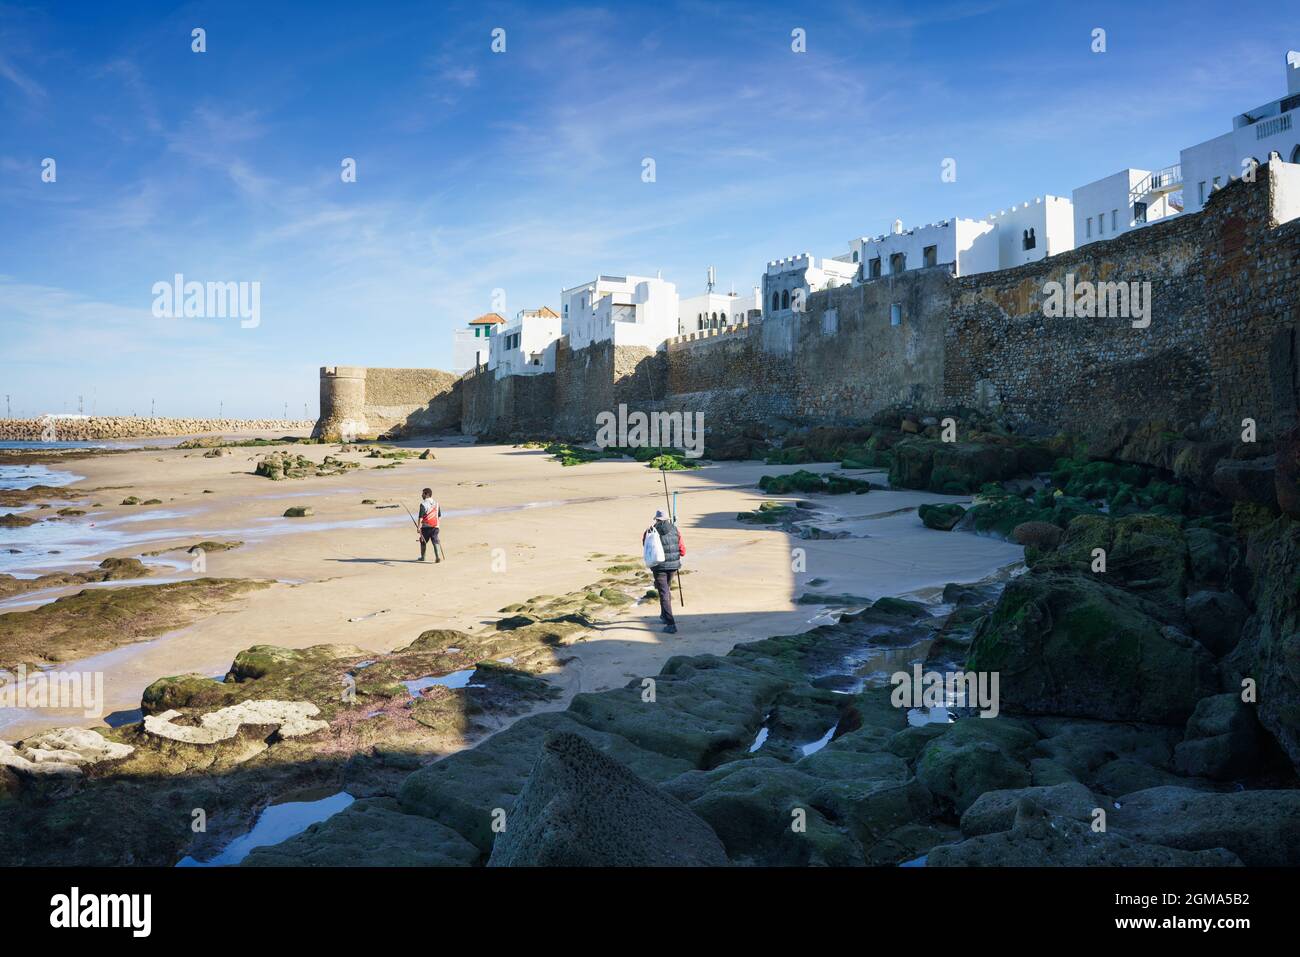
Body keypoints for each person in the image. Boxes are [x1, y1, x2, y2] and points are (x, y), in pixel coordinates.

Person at [643, 508, 684, 633]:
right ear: (667, 519)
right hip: (673, 566)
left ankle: (671, 624)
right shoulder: (675, 529)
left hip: (658, 566)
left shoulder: (650, 531)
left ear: (656, 519)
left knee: (664, 593)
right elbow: (682, 549)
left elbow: (646, 546)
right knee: (666, 590)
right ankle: (664, 615)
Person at [417, 487, 441, 562]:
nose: (422, 495)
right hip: (435, 526)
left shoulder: (423, 504)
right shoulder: (437, 503)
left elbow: (420, 517)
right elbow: (439, 516)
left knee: (423, 541)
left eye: (423, 493)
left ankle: (423, 557)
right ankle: (437, 557)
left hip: (426, 527)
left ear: (426, 494)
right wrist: (438, 525)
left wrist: (418, 527)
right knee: (435, 541)